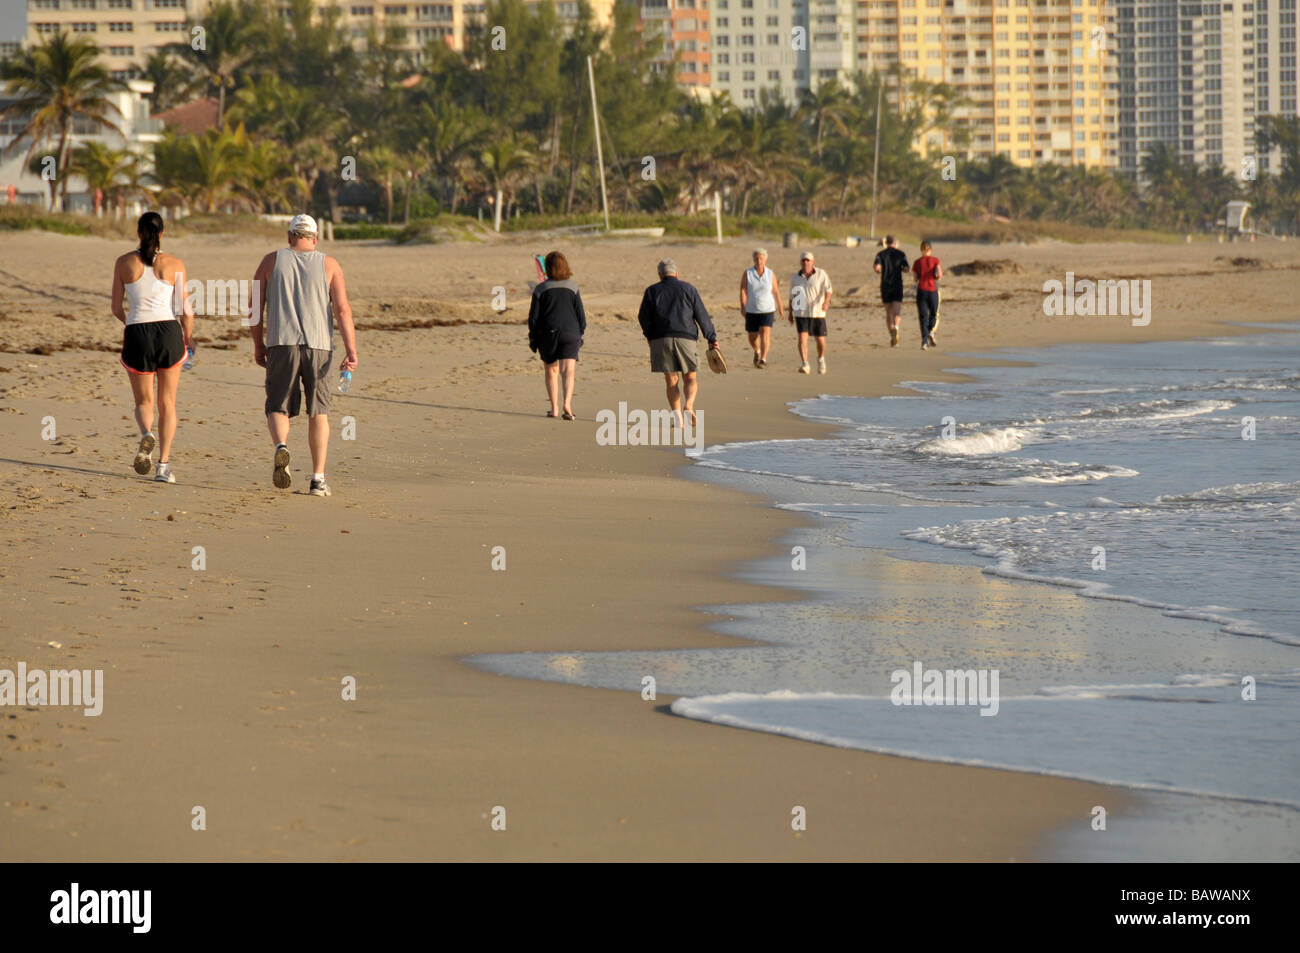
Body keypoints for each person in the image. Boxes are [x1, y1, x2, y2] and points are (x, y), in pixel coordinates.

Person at [249, 213, 358, 498]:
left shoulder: (270, 261)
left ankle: (281, 447)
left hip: (281, 342)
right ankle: (318, 480)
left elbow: (253, 307)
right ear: (315, 238)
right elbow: (343, 310)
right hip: (319, 344)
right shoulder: (330, 264)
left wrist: (258, 345)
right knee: (318, 412)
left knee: (277, 405)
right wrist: (351, 350)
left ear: (289, 237)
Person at [110, 211, 194, 483]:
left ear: (138, 233)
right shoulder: (175, 264)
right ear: (162, 234)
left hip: (138, 332)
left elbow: (115, 308)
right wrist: (189, 339)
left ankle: (147, 434)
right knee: (167, 403)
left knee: (144, 401)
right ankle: (163, 466)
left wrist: (131, 322)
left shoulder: (123, 263)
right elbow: (185, 310)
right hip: (168, 331)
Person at [638, 258, 719, 428]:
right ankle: (688, 405)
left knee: (671, 380)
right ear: (676, 273)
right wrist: (711, 338)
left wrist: (650, 337)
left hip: (661, 339)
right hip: (686, 338)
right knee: (690, 377)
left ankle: (678, 419)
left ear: (660, 275)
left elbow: (643, 317)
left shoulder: (652, 291)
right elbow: (701, 315)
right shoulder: (689, 288)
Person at [528, 250, 586, 420]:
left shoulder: (540, 289)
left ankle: (554, 408)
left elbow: (533, 318)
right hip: (571, 332)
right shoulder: (573, 287)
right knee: (569, 371)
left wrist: (534, 338)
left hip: (549, 333)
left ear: (547, 268)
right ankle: (567, 404)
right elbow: (581, 316)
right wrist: (579, 333)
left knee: (551, 370)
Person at [787, 250, 833, 374]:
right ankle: (805, 363)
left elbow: (828, 290)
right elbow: (792, 296)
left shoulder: (821, 274)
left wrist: (826, 302)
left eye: (808, 260)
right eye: (803, 260)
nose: (806, 262)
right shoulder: (795, 277)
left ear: (812, 262)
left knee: (820, 340)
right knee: (802, 339)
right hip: (801, 312)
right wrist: (790, 313)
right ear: (800, 263)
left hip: (817, 312)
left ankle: (821, 359)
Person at [739, 247, 783, 368]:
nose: (759, 261)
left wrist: (781, 307)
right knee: (752, 337)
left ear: (765, 260)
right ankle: (757, 350)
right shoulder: (748, 273)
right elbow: (743, 290)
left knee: (765, 333)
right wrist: (743, 305)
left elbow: (776, 291)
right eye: (757, 258)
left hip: (767, 309)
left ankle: (763, 359)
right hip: (751, 309)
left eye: (761, 258)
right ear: (754, 260)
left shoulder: (770, 274)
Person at [873, 235, 909, 347]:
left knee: (888, 312)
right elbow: (907, 268)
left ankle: (892, 333)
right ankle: (896, 328)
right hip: (897, 284)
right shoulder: (901, 254)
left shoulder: (880, 254)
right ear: (896, 243)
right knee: (897, 310)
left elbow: (877, 268)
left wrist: (879, 270)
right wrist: (901, 268)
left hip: (885, 285)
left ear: (886, 243)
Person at [913, 239, 943, 351]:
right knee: (933, 314)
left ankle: (924, 342)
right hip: (932, 290)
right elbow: (939, 275)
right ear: (931, 249)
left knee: (923, 317)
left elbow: (915, 279)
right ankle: (931, 331)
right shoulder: (935, 260)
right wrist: (934, 277)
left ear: (921, 249)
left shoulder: (917, 262)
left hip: (921, 291)